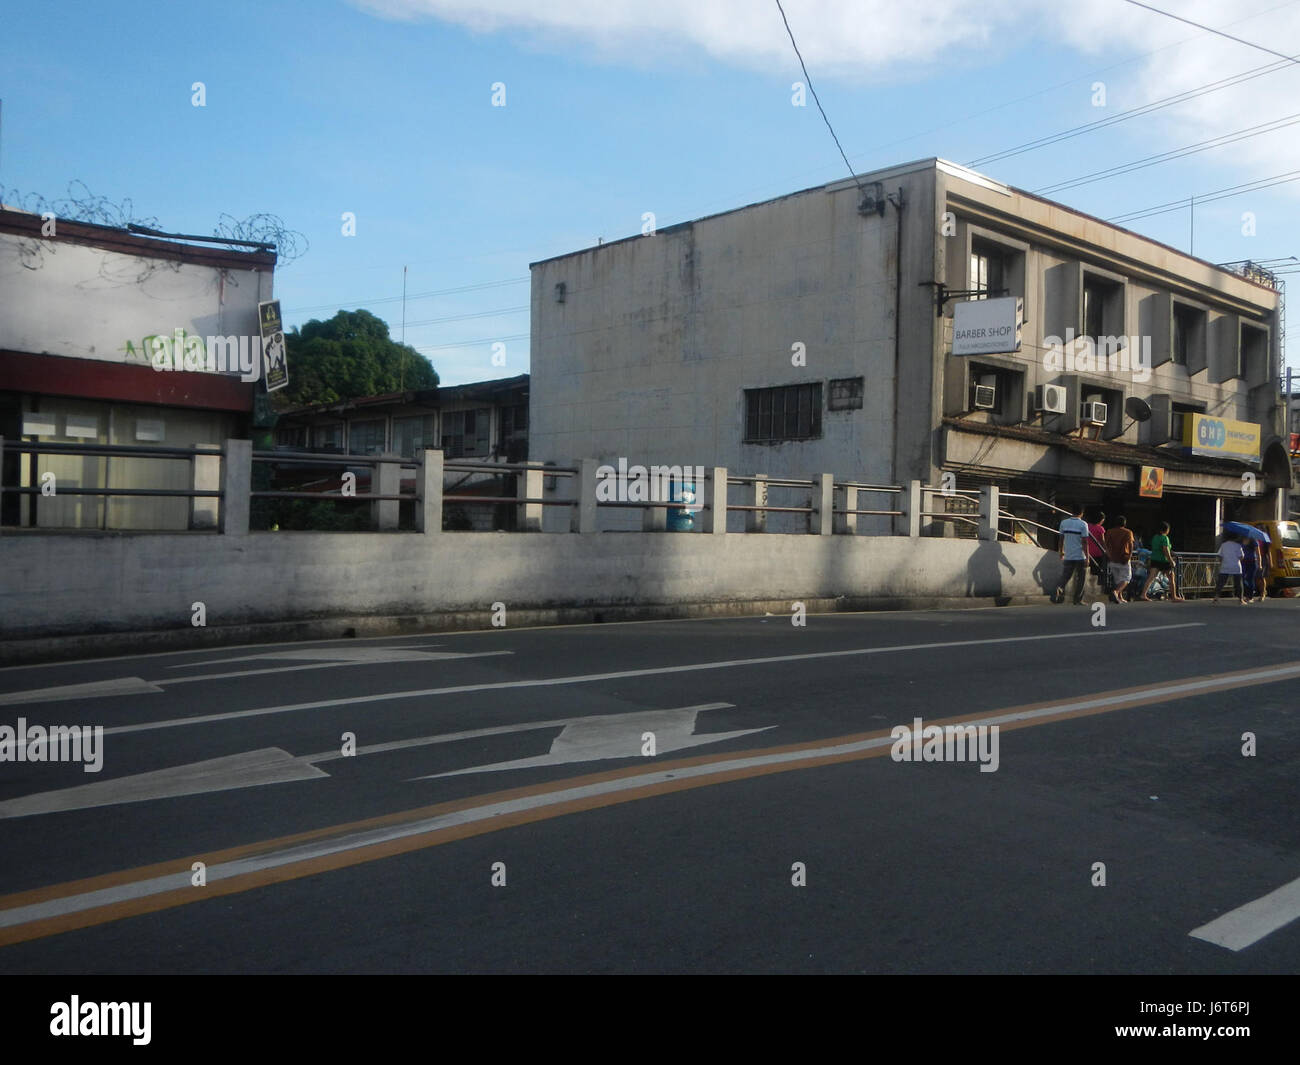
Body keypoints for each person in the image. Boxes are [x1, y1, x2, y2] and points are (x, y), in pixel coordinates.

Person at [1053, 503, 1089, 605]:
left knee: (1066, 576)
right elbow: (1085, 542)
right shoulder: (1083, 524)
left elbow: (1061, 539)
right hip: (1080, 556)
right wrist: (1087, 557)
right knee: (1081, 578)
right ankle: (1078, 599)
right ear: (1082, 513)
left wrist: (1061, 551)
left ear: (1071, 512)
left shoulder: (1064, 523)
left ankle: (1060, 587)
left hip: (1068, 555)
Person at [1140, 521, 1185, 601]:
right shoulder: (1165, 538)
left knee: (1151, 578)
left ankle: (1143, 594)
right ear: (1166, 530)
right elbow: (1165, 550)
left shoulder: (1155, 537)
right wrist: (1171, 561)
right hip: (1164, 560)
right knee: (1171, 578)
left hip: (1155, 559)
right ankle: (1174, 596)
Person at [1104, 515, 1135, 604]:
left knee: (1118, 579)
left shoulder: (1109, 532)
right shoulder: (1128, 532)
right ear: (1124, 523)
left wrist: (1109, 555)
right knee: (1126, 578)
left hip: (1113, 558)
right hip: (1124, 558)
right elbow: (1131, 545)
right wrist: (1129, 556)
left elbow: (1106, 544)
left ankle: (1119, 597)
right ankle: (1116, 592)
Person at [1214, 534, 1247, 604]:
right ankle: (1241, 599)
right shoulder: (1238, 545)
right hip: (1236, 566)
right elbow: (1241, 556)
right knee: (1238, 583)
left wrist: (1222, 562)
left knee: (1221, 582)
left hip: (1225, 565)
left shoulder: (1223, 545)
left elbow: (1220, 555)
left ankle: (1216, 597)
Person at [1087, 510, 1107, 593]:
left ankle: (1089, 588)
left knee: (1090, 571)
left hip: (1088, 552)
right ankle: (1095, 589)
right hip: (1098, 553)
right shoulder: (1100, 528)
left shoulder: (1087, 526)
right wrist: (1106, 550)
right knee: (1098, 571)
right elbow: (1102, 541)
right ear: (1101, 520)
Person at [1241, 535, 1261, 603]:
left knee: (1250, 579)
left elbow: (1258, 553)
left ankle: (1250, 596)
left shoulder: (1254, 541)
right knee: (1242, 578)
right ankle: (1245, 594)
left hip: (1252, 561)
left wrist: (1259, 564)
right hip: (1243, 561)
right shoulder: (1241, 541)